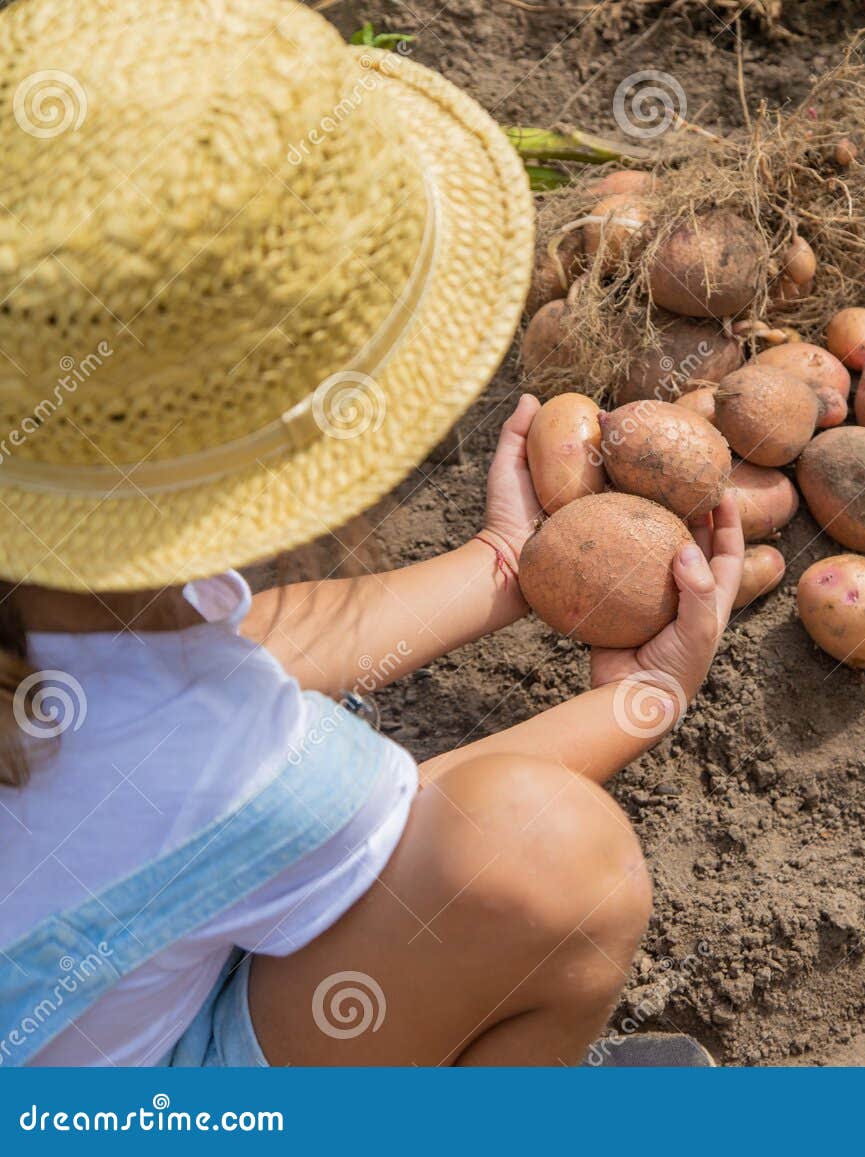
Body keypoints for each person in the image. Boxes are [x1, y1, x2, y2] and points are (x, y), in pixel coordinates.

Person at [0, 0, 740, 1067]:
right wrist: (639, 699)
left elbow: (190, 659)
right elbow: (422, 829)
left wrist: (497, 569)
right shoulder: (222, 767)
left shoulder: (63, 618)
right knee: (557, 861)